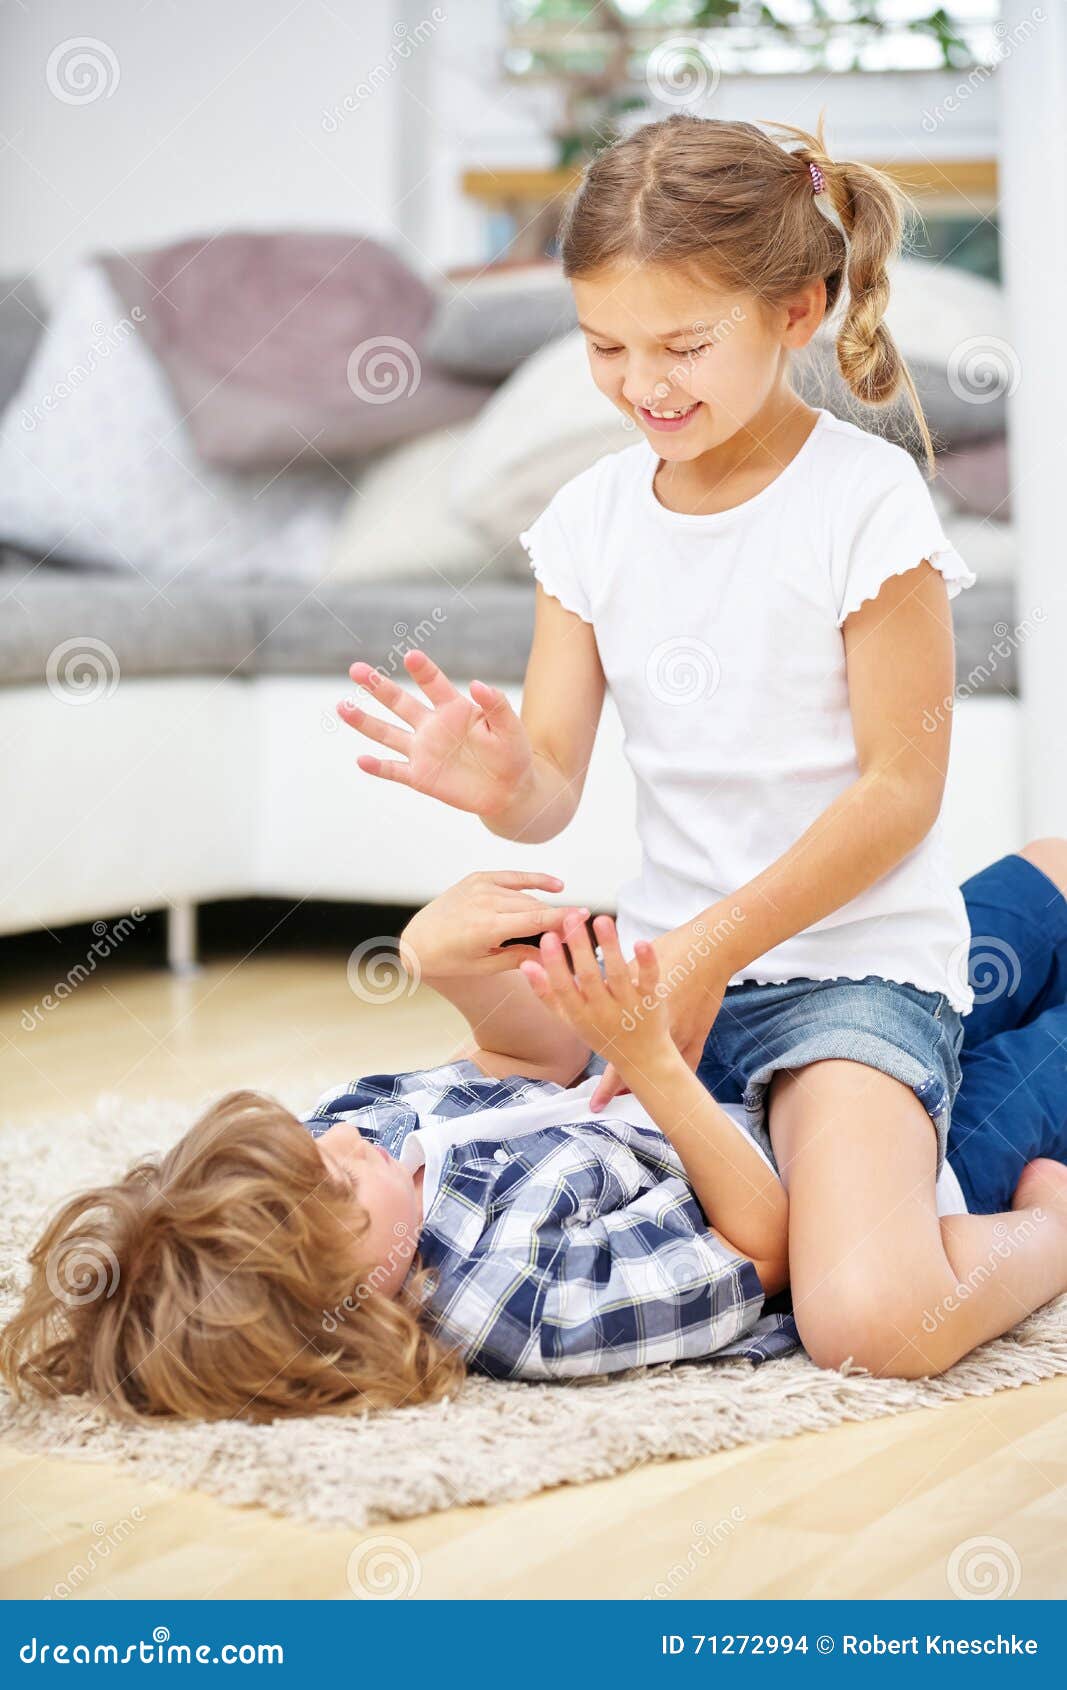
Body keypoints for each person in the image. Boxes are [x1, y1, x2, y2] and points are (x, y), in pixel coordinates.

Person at [335, 114, 986, 1372]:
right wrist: (502, 782)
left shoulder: (863, 501)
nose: (643, 384)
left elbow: (900, 791)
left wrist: (702, 954)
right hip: (654, 978)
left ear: (795, 311)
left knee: (866, 1323)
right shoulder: (587, 520)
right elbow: (549, 789)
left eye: (684, 346)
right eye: (603, 346)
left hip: (847, 976)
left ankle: (1040, 1224)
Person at [4, 845, 1067, 1421]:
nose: (341, 1146)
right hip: (862, 1158)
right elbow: (767, 1240)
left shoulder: (361, 1141)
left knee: (1026, 893)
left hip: (755, 1017)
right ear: (350, 1314)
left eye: (304, 1145)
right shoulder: (520, 1305)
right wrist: (652, 1067)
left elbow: (530, 1062)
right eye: (331, 1187)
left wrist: (452, 969)